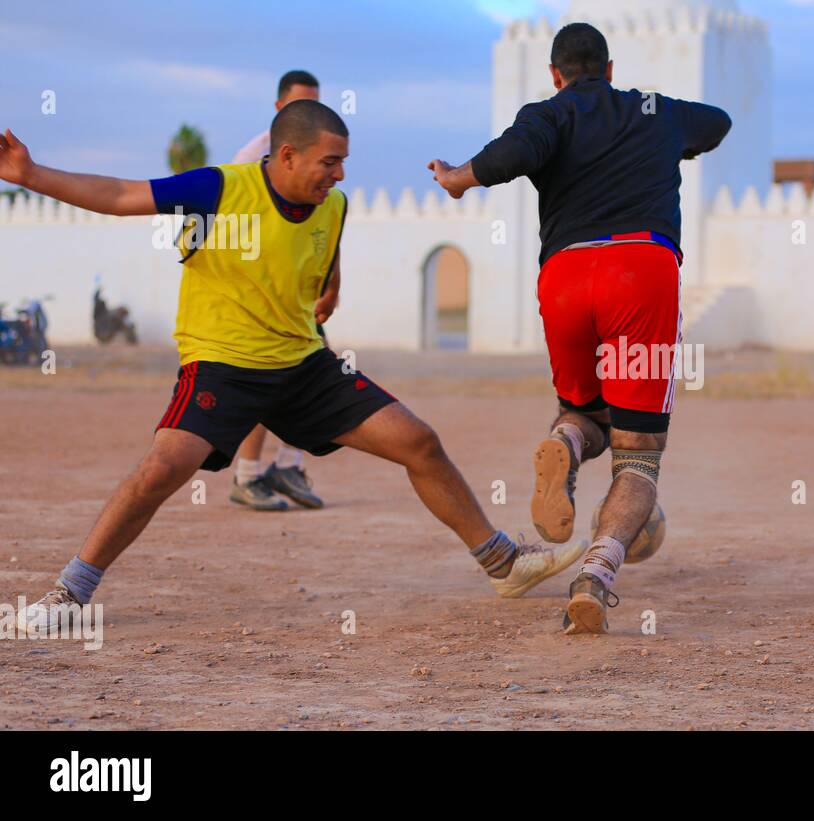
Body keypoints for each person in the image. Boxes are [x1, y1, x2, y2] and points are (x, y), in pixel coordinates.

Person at [1, 102, 585, 632]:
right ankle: (70, 594)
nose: (339, 174)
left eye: (343, 163)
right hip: (222, 366)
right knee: (160, 470)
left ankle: (502, 562)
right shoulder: (218, 189)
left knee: (418, 442)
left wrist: (326, 293)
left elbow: (319, 267)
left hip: (303, 364)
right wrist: (31, 175)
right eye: (329, 162)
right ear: (286, 155)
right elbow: (120, 195)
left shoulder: (334, 206)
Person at [431, 22, 731, 634]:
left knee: (582, 412)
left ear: (556, 74)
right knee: (638, 457)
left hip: (565, 276)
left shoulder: (550, 113)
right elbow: (718, 120)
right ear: (611, 69)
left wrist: (459, 178)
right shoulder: (654, 110)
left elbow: (509, 155)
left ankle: (565, 447)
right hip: (640, 273)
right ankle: (594, 574)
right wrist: (677, 140)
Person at [230, 69, 324, 511]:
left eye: (315, 104)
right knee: (269, 376)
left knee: (308, 370)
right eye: (298, 104)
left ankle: (284, 465)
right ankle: (251, 473)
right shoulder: (252, 157)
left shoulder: (317, 159)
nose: (308, 113)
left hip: (294, 295)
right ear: (278, 109)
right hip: (260, 295)